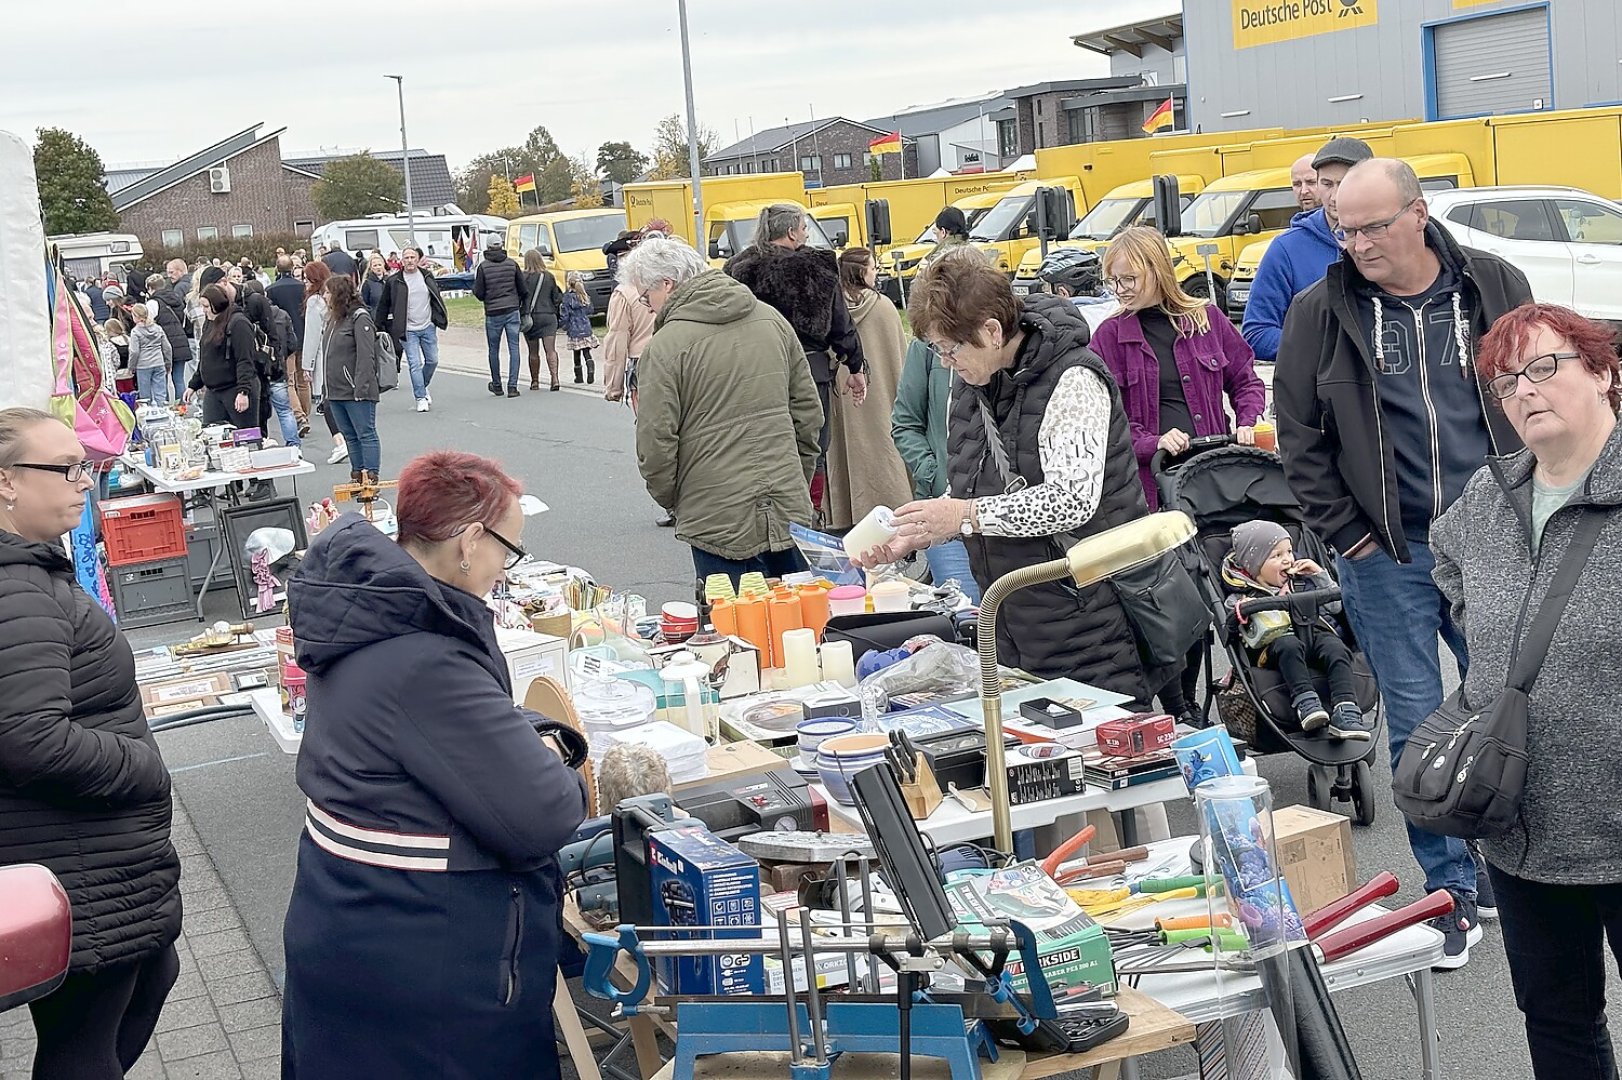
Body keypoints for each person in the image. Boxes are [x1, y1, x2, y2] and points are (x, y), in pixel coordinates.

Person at [1275, 157, 1534, 969]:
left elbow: (1544, 392)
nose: (1356, 244)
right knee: (1421, 723)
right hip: (1387, 552)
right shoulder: (1322, 310)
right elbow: (1298, 436)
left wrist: (1544, 503)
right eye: (1343, 230)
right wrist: (1346, 534)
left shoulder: (1493, 284)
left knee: (1515, 705)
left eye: (1372, 227)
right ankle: (1450, 891)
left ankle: (1521, 871)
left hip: (1500, 538)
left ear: (1418, 214)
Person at [283, 449, 589, 1079]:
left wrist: (516, 736)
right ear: (470, 541)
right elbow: (548, 811)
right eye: (509, 548)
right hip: (429, 970)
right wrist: (552, 748)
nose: (507, 568)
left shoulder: (367, 612)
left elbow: (438, 742)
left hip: (357, 930)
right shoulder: (425, 658)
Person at [1431, 304, 1622, 1078]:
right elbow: (1445, 564)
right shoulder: (1489, 494)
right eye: (1508, 380)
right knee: (1555, 1016)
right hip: (1520, 822)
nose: (1525, 391)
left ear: (1606, 372)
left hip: (1618, 815)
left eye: (1546, 367)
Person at [857, 248, 1152, 702]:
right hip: (1015, 615)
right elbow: (979, 485)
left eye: (949, 349)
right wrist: (920, 531)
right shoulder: (976, 379)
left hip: (1089, 616)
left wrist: (962, 516)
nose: (944, 362)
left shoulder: (1073, 379)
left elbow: (1070, 501)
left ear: (992, 331)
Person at [0, 408, 181, 1078]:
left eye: (86, 467)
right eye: (67, 468)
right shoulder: (17, 588)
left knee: (147, 976)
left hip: (86, 856)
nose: (85, 482)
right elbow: (27, 736)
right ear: (6, 484)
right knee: (84, 1039)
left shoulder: (30, 573)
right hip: (74, 857)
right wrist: (142, 766)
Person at [622, 237, 821, 585]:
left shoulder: (665, 347)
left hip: (714, 515)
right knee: (801, 626)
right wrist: (796, 478)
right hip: (786, 502)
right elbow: (807, 413)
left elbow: (655, 442)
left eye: (645, 296)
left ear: (667, 285)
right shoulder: (771, 319)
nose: (648, 306)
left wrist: (675, 498)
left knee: (733, 631)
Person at [1093, 225, 1266, 511]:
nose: (1120, 290)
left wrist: (1249, 421)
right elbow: (1104, 419)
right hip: (1150, 489)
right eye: (1114, 281)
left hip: (1214, 475)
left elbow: (1245, 380)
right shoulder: (1108, 337)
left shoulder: (1207, 319)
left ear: (1157, 270)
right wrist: (1153, 441)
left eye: (1129, 279)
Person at [724, 204, 868, 511]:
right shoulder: (817, 267)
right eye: (804, 227)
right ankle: (809, 511)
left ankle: (765, 508)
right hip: (809, 370)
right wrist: (856, 366)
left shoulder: (738, 270)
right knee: (812, 446)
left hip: (753, 371)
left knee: (763, 446)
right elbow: (840, 325)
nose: (806, 233)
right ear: (791, 232)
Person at [1221, 520, 1366, 739]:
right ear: (1254, 563)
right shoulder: (1242, 595)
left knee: (1335, 646)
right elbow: (1233, 617)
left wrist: (1319, 575)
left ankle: (1346, 709)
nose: (1288, 559)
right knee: (1288, 645)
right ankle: (1306, 703)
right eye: (1276, 556)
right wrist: (1245, 610)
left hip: (1313, 635)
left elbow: (1336, 605)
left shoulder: (1302, 581)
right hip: (1273, 648)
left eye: (1289, 551)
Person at [1243, 138, 1373, 363]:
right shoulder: (1286, 249)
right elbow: (1256, 333)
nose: (1334, 196)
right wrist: (1326, 349)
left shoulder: (1394, 241)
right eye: (1326, 184)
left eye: (1343, 183)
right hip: (1319, 391)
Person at [825, 247, 912, 529]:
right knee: (884, 458)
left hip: (841, 401)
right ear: (862, 272)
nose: (876, 274)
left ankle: (845, 518)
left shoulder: (830, 310)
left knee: (842, 456)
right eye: (873, 268)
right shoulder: (884, 308)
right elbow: (898, 360)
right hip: (881, 402)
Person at [891, 338, 982, 605]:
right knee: (966, 613)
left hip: (1000, 515)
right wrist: (932, 472)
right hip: (943, 509)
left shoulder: (1000, 340)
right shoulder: (926, 346)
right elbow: (904, 422)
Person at [321, 275, 382, 484]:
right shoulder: (335, 319)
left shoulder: (360, 317)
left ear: (337, 294)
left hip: (355, 389)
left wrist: (361, 387)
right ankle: (357, 474)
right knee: (350, 436)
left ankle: (371, 475)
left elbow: (366, 356)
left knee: (365, 433)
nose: (324, 296)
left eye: (328, 292)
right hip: (335, 390)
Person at [375, 247, 448, 412]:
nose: (409, 260)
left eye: (412, 257)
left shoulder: (427, 276)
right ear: (402, 260)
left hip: (427, 325)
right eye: (406, 257)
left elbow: (436, 298)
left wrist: (439, 317)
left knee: (432, 360)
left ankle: (422, 386)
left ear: (417, 259)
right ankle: (420, 397)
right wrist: (378, 326)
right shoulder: (394, 281)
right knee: (415, 364)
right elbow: (384, 305)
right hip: (407, 329)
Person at [241, 280, 301, 451]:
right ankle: (294, 445)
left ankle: (262, 442)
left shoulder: (247, 319)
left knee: (259, 412)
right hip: (277, 367)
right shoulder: (282, 314)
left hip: (259, 369)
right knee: (285, 410)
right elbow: (292, 341)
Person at [189, 283, 259, 428]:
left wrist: (243, 391)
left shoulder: (239, 323)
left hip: (235, 388)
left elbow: (245, 359)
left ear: (217, 305)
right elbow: (205, 358)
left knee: (244, 436)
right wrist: (193, 385)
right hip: (214, 390)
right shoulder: (209, 323)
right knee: (210, 431)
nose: (203, 310)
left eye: (206, 306)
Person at [301, 261, 348, 466]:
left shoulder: (314, 302)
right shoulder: (335, 297)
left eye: (307, 278)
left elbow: (311, 335)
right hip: (341, 355)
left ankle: (340, 441)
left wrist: (306, 364)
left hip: (322, 354)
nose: (304, 283)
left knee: (327, 402)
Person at [602, 243, 656, 409]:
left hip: (642, 361)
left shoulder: (624, 293)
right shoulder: (670, 286)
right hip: (674, 357)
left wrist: (613, 386)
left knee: (647, 422)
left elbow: (617, 341)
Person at [473, 239, 528, 397]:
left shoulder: (483, 267)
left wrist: (488, 299)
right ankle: (512, 386)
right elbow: (523, 288)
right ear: (501, 246)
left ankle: (497, 384)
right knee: (514, 348)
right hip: (511, 309)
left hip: (493, 311)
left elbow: (479, 291)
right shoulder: (512, 264)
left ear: (488, 247)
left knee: (493, 349)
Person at [267, 255, 311, 434]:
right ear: (293, 268)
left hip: (286, 339)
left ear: (277, 269)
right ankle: (305, 415)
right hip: (304, 335)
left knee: (290, 380)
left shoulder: (271, 290)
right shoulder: (302, 288)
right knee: (303, 380)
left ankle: (299, 417)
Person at [520, 251, 564, 391]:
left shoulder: (523, 277)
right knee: (550, 350)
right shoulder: (549, 276)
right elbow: (556, 298)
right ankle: (555, 378)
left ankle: (535, 381)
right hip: (548, 315)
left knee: (533, 352)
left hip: (531, 317)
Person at [147, 272, 193, 404]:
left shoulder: (153, 303)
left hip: (164, 344)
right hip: (180, 341)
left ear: (150, 288)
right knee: (178, 378)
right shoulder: (176, 298)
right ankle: (182, 407)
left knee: (162, 379)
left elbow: (149, 324)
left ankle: (165, 407)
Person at [126, 301, 172, 405]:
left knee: (145, 396)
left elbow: (134, 351)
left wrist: (131, 367)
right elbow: (167, 348)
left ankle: (148, 416)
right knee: (160, 394)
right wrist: (168, 363)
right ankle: (163, 412)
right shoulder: (158, 329)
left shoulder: (136, 332)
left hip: (143, 365)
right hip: (159, 362)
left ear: (135, 316)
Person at [561, 272, 599, 384]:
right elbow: (590, 310)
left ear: (569, 283)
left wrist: (563, 325)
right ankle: (591, 370)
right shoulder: (584, 296)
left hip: (574, 329)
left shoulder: (568, 297)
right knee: (587, 352)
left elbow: (565, 314)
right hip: (586, 328)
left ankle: (579, 377)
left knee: (576, 353)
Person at [919, 205, 970, 270]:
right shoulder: (976, 253)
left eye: (935, 232)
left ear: (943, 232)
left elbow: (924, 279)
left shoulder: (939, 260)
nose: (936, 237)